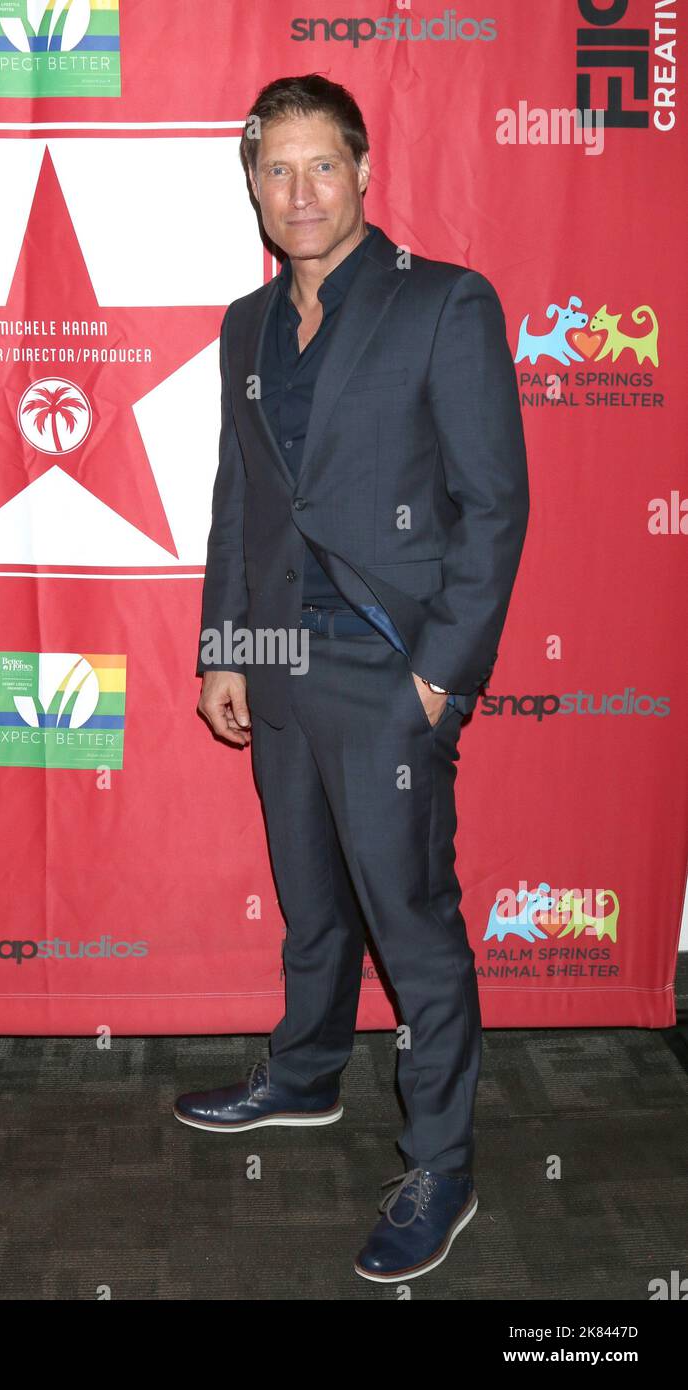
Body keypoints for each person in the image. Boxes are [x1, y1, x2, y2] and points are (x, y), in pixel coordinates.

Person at [175, 73, 529, 1283]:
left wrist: (437, 677)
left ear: (364, 171)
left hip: (388, 664)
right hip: (278, 660)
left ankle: (441, 1163)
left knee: (410, 925)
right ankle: (306, 1074)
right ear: (252, 186)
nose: (299, 191)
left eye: (320, 164)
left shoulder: (443, 302)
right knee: (311, 899)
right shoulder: (243, 326)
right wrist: (225, 644)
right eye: (274, 169)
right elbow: (240, 497)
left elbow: (492, 506)